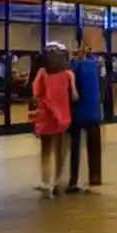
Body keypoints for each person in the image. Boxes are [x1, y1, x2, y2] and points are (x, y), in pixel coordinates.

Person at [32, 48, 79, 197]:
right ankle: (57, 181)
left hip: (46, 116)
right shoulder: (68, 74)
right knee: (60, 150)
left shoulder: (42, 73)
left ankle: (45, 182)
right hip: (62, 117)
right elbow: (75, 96)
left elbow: (36, 92)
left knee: (46, 151)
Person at [66, 44, 102, 193]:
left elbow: (70, 92)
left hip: (77, 113)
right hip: (93, 111)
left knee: (75, 147)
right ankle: (95, 176)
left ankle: (73, 179)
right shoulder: (94, 66)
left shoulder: (72, 68)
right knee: (94, 146)